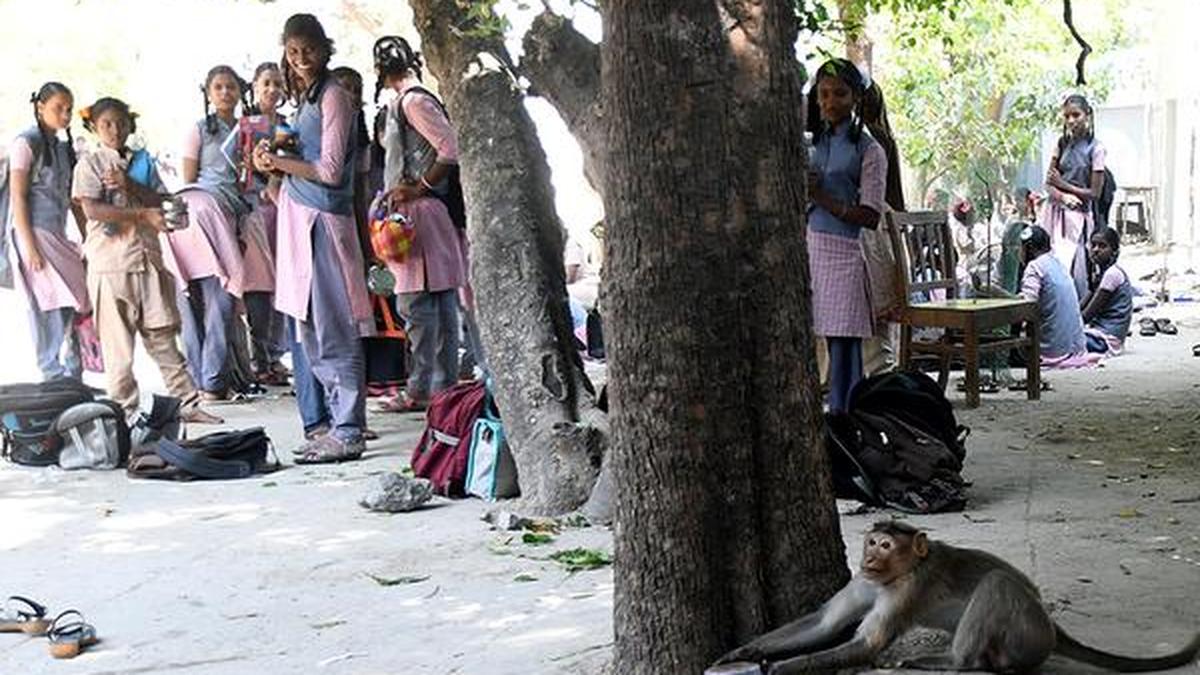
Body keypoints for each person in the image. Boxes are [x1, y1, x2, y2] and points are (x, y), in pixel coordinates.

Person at [253, 13, 371, 463]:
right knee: (309, 328)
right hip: (299, 222)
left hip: (322, 223)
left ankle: (348, 428)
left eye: (309, 49)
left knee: (334, 328)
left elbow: (330, 171)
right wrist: (275, 155)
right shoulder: (306, 98)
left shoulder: (335, 96)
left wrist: (281, 164)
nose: (300, 59)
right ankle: (330, 424)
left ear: (325, 48)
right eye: (292, 51)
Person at [72, 97, 221, 424]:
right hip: (111, 265)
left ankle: (188, 404)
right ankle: (123, 413)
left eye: (120, 123)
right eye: (106, 124)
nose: (114, 130)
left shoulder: (142, 163)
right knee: (119, 350)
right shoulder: (90, 164)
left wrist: (130, 185)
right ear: (94, 129)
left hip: (148, 261)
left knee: (163, 336)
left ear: (130, 125)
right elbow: (92, 210)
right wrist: (141, 213)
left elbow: (162, 199)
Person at [372, 35, 471, 412]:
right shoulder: (410, 100)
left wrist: (420, 186)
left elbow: (450, 147)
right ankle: (440, 389)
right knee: (440, 308)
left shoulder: (412, 102)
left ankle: (424, 389)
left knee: (420, 309)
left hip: (419, 213)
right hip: (430, 213)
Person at [162, 65, 250, 400]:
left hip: (231, 215)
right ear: (209, 93)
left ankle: (211, 379)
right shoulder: (198, 129)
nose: (225, 93)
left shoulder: (247, 130)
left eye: (230, 87)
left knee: (221, 298)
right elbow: (188, 181)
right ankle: (207, 380)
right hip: (201, 213)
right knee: (200, 296)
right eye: (218, 87)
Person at [805, 59, 887, 413]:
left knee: (843, 345)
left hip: (844, 251)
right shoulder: (814, 142)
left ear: (856, 98)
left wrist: (823, 198)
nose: (830, 102)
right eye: (823, 95)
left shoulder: (870, 150)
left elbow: (870, 215)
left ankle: (847, 419)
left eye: (839, 94)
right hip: (810, 247)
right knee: (822, 340)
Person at [7, 82, 89, 381]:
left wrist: (87, 236)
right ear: (40, 108)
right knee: (46, 303)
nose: (65, 115)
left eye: (69, 109)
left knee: (76, 298)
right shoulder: (26, 143)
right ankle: (52, 371)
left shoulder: (63, 148)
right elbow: (18, 195)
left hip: (57, 233)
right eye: (58, 108)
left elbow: (73, 200)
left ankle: (73, 372)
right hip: (34, 233)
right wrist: (28, 245)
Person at [223, 61, 290, 386]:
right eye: (266, 83)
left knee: (284, 284)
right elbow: (234, 166)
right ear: (255, 86)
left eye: (278, 83)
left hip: (285, 211)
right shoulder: (247, 125)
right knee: (259, 287)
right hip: (257, 210)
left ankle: (276, 354)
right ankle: (259, 357)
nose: (272, 90)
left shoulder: (289, 125)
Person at [1039, 94, 1106, 299]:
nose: (1071, 121)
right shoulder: (1061, 144)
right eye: (1067, 116)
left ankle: (1074, 316)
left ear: (1087, 115)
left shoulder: (1096, 149)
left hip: (1078, 217)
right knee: (1047, 266)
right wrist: (1061, 195)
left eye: (1076, 115)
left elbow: (1095, 193)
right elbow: (1048, 183)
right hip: (1053, 212)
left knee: (1072, 271)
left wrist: (1064, 185)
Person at [1016, 225, 1099, 369]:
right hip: (1076, 348)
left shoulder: (1035, 267)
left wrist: (999, 295)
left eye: (1020, 248)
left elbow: (1027, 306)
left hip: (1051, 351)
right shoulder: (1058, 264)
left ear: (1028, 248)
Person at [1081, 227, 1132, 356]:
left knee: (1058, 342)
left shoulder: (1112, 274)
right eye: (1093, 245)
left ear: (1114, 252)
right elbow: (1080, 306)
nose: (1096, 250)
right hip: (1100, 335)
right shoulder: (1102, 274)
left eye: (1102, 246)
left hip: (1106, 340)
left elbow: (1086, 316)